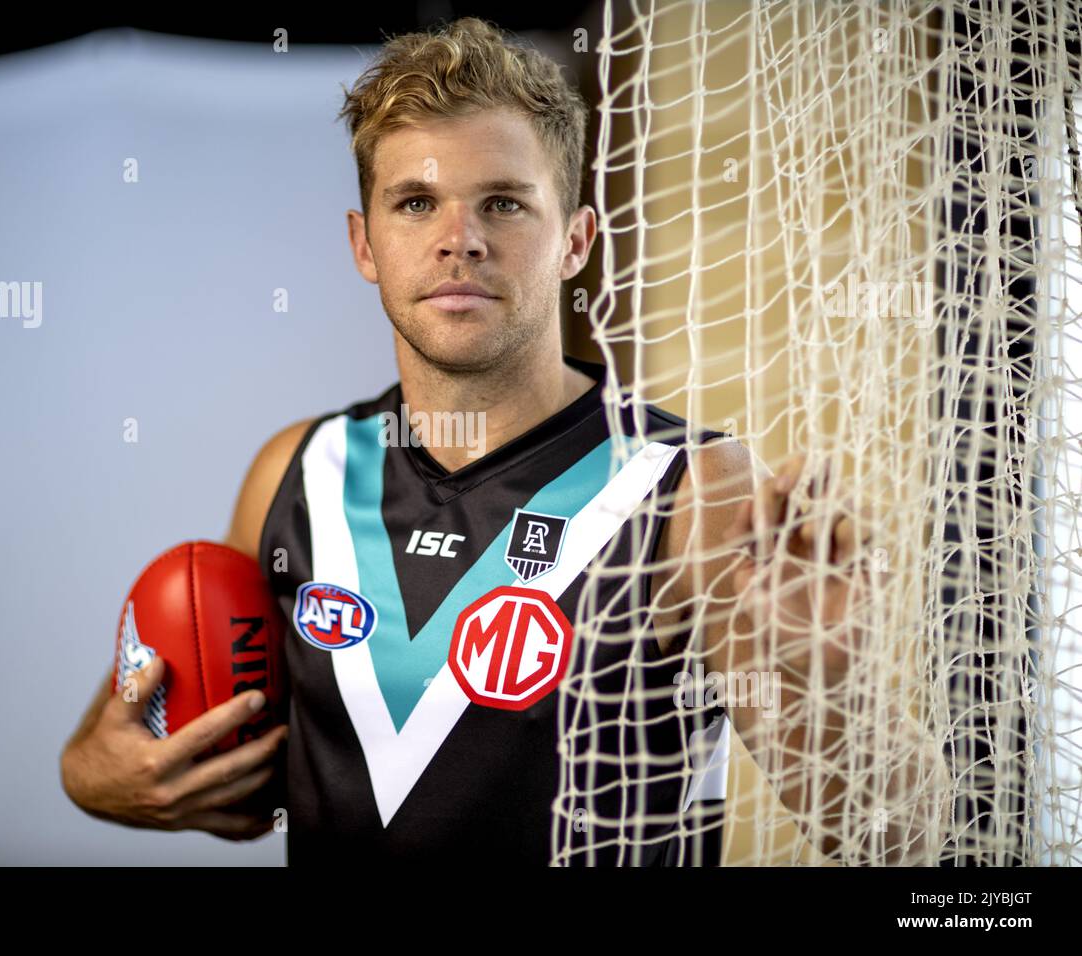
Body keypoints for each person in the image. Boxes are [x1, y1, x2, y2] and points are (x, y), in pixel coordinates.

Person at [60, 17, 947, 865]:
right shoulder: (296, 471)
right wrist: (90, 776)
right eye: (416, 203)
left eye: (504, 203)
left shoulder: (691, 489)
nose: (461, 241)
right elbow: (205, 768)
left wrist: (834, 691)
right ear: (364, 244)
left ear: (575, 241)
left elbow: (896, 840)